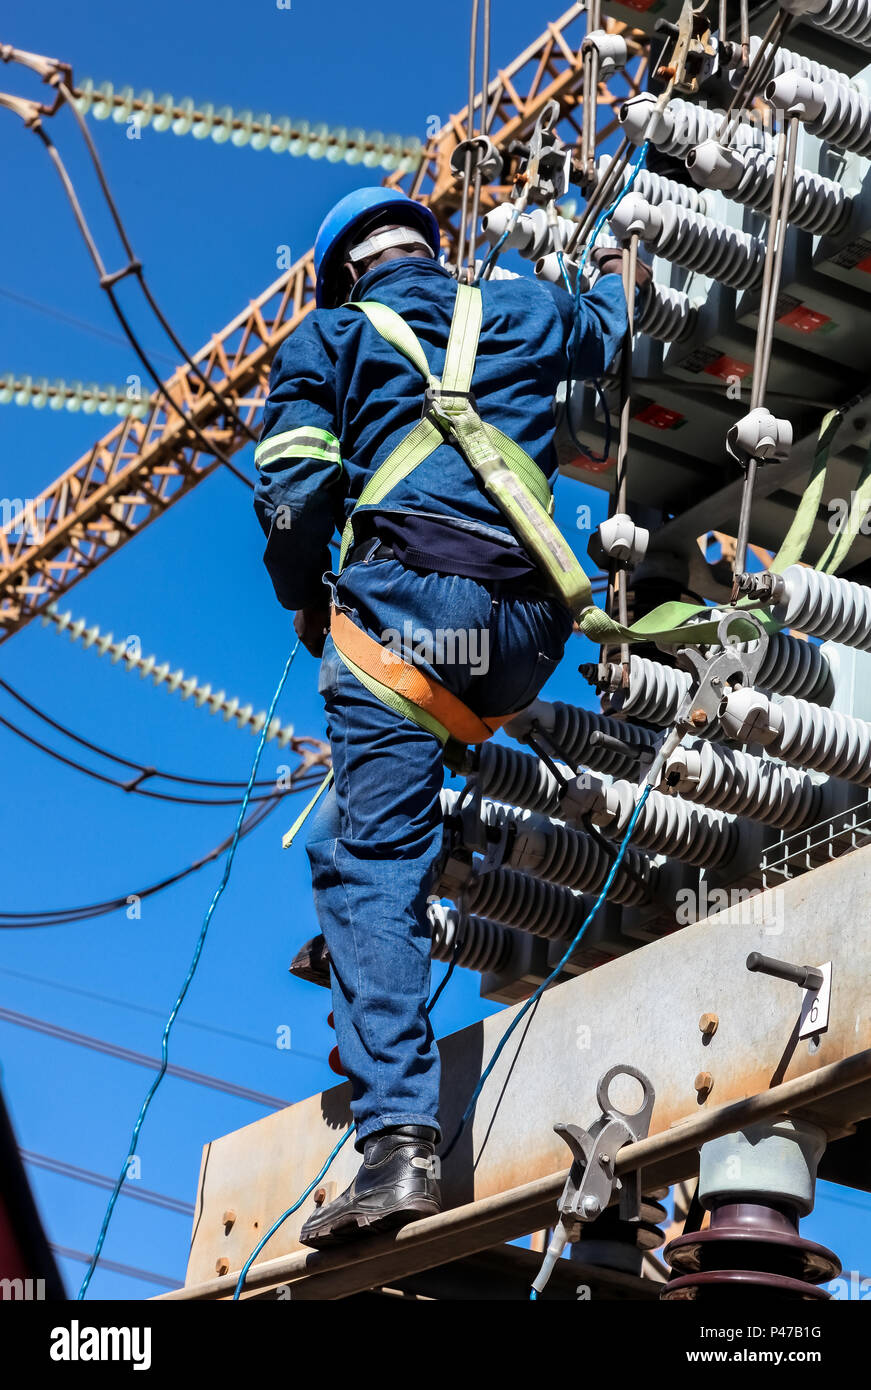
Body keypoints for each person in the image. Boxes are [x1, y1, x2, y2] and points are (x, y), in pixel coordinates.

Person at [253, 186, 640, 1247]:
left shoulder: (328, 334)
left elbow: (291, 490)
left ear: (344, 273)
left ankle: (397, 1143)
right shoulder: (518, 311)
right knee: (360, 834)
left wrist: (302, 590)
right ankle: (387, 958)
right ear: (432, 249)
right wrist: (610, 259)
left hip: (405, 622)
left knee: (365, 862)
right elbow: (612, 320)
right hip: (518, 641)